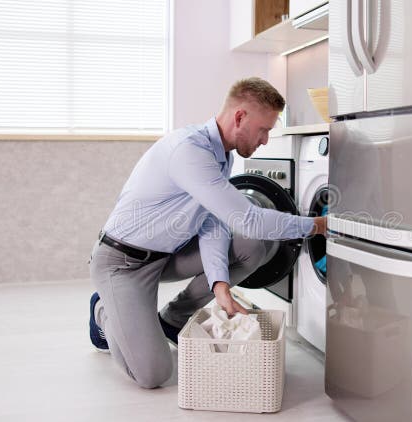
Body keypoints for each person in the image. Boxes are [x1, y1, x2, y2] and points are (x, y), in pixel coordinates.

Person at [87, 77, 327, 389]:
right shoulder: (189, 151)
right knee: (154, 375)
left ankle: (172, 318)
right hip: (122, 264)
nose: (266, 140)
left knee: (253, 247)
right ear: (240, 117)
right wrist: (317, 225)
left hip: (166, 257)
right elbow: (249, 219)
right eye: (264, 129)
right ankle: (104, 309)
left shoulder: (223, 155)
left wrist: (220, 285)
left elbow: (212, 224)